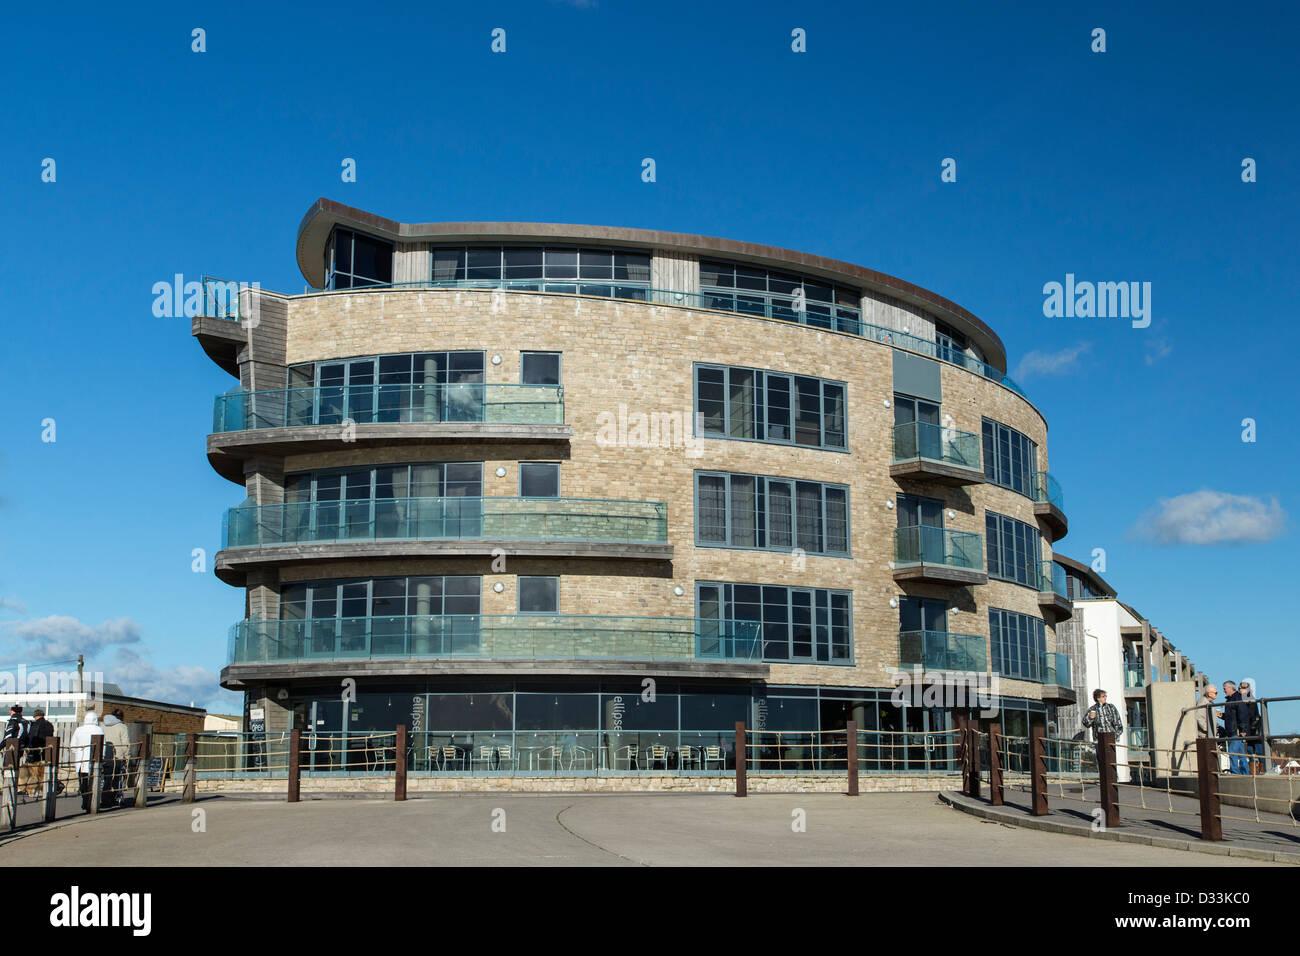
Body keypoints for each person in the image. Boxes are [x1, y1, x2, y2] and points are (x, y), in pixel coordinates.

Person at [68, 711, 105, 813]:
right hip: (95, 760)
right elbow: (103, 746)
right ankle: (92, 803)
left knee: (83, 782)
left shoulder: (79, 730)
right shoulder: (99, 730)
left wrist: (77, 752)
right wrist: (103, 757)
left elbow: (73, 746)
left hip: (81, 760)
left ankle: (85, 802)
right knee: (94, 782)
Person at [20, 708, 55, 798]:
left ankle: (33, 790)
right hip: (46, 752)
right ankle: (43, 790)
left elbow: (32, 738)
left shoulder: (35, 725)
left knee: (33, 773)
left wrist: (27, 749)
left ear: (36, 716)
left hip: (35, 752)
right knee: (43, 773)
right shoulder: (49, 725)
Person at [101, 709, 131, 807]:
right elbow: (125, 744)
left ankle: (105, 798)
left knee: (106, 778)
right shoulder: (122, 727)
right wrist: (127, 757)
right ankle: (111, 799)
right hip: (117, 756)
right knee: (115, 779)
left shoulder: (102, 725)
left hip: (104, 756)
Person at [1221, 681, 1248, 774]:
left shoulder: (1236, 698)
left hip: (1235, 730)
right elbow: (1232, 715)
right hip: (1234, 730)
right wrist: (1222, 715)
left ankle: (1235, 772)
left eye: (1224, 688)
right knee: (1241, 754)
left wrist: (1243, 729)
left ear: (1230, 688)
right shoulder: (1232, 699)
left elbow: (1242, 714)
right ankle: (1245, 773)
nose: (1223, 690)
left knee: (1233, 753)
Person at [1239, 682, 1264, 774]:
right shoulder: (1246, 698)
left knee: (1257, 750)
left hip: (1253, 728)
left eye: (1240, 688)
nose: (1239, 690)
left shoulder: (1249, 698)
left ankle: (1259, 770)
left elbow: (1250, 714)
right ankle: (1255, 771)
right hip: (1250, 728)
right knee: (1252, 750)